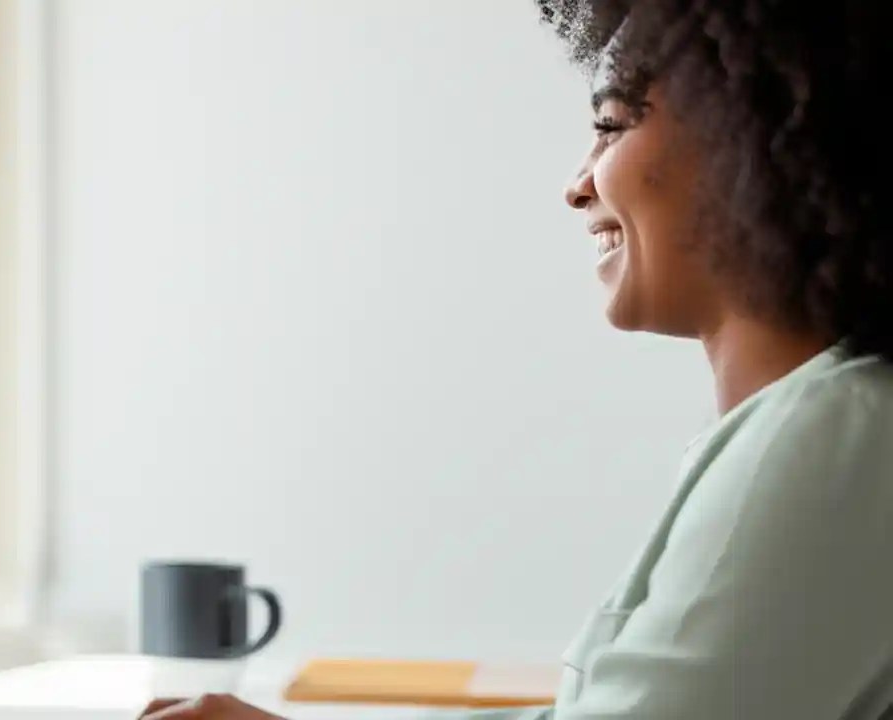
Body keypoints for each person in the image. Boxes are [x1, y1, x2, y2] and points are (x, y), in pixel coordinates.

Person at [138, 0, 893, 717]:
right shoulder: (813, 424)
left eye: (610, 127)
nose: (577, 184)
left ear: (750, 133)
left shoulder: (840, 431)